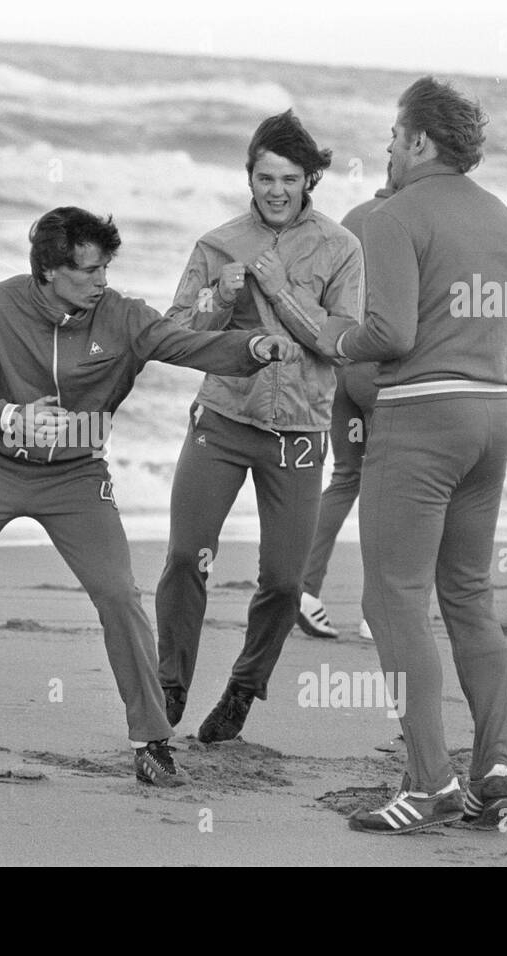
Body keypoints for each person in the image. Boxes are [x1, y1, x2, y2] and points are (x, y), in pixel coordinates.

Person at [0, 206, 297, 787]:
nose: (102, 281)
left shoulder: (120, 315)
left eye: (105, 268)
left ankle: (151, 741)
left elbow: (186, 344)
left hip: (75, 478)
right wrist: (8, 415)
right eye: (89, 271)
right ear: (48, 271)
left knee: (120, 594)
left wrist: (252, 349)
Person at [313, 76, 507, 834]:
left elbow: (392, 334)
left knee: (392, 600)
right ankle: (496, 766)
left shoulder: (392, 215)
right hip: (491, 419)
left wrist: (331, 339)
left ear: (418, 141)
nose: (387, 152)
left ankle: (432, 781)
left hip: (420, 421)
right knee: (469, 593)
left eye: (391, 139)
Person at [153, 111, 363, 741]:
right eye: (265, 177)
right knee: (187, 556)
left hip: (298, 436)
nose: (277, 190)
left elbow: (343, 343)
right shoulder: (216, 244)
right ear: (249, 178)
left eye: (290, 179)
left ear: (310, 181)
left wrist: (280, 291)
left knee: (283, 580)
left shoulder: (341, 248)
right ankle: (170, 685)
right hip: (222, 421)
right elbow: (175, 337)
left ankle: (244, 689)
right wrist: (218, 299)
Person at [298, 164, 395, 642]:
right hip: (384, 373)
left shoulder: (355, 218)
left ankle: (305, 587)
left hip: (342, 364)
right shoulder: (411, 221)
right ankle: (376, 609)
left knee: (346, 478)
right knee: (389, 489)